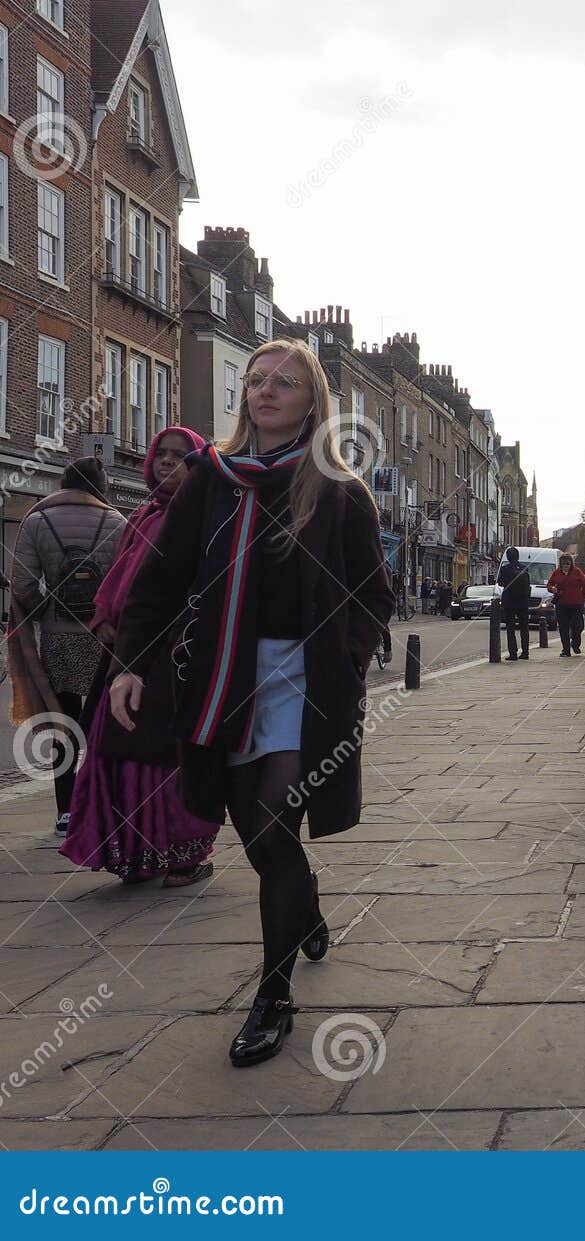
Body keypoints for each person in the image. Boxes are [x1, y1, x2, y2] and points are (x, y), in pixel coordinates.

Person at [108, 339, 391, 1069]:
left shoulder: (337, 488)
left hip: (305, 684)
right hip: (225, 682)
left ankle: (273, 997)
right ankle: (306, 898)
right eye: (257, 380)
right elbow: (159, 582)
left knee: (270, 827)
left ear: (311, 399)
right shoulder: (213, 478)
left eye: (283, 382)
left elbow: (373, 596)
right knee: (261, 836)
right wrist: (132, 662)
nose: (264, 390)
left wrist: (347, 661)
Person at [62, 428, 221, 887]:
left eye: (181, 456)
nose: (168, 463)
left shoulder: (206, 520)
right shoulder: (141, 516)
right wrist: (108, 620)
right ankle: (133, 852)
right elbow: (121, 581)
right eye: (162, 455)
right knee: (119, 752)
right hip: (128, 655)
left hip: (178, 656)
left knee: (168, 759)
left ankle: (183, 854)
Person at [9, 458, 127, 834]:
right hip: (103, 639)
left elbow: (23, 586)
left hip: (59, 639)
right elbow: (127, 585)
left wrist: (47, 610)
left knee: (63, 725)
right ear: (100, 487)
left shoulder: (35, 521)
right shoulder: (117, 523)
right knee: (104, 723)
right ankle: (104, 806)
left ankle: (66, 812)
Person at [546, 552, 585, 656]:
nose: (566, 566)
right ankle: (566, 649)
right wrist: (552, 588)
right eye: (563, 563)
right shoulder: (557, 573)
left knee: (578, 625)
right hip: (562, 603)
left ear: (571, 563)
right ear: (560, 564)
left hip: (576, 603)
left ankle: (575, 643)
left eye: (568, 563)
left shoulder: (577, 572)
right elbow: (549, 584)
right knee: (563, 627)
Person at [498, 547, 532, 659]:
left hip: (510, 601)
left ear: (508, 557)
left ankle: (513, 653)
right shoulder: (524, 568)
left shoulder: (505, 569)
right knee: (524, 628)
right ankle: (525, 652)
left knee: (510, 628)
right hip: (523, 601)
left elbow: (501, 582)